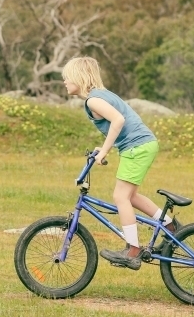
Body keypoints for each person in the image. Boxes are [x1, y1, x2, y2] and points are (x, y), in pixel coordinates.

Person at [61, 56, 174, 270]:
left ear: (78, 77)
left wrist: (104, 151)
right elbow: (120, 123)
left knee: (120, 196)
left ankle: (133, 250)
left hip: (137, 147)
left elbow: (118, 120)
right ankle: (170, 225)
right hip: (142, 145)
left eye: (67, 77)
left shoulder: (93, 100)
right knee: (130, 196)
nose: (65, 82)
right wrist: (102, 148)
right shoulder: (100, 95)